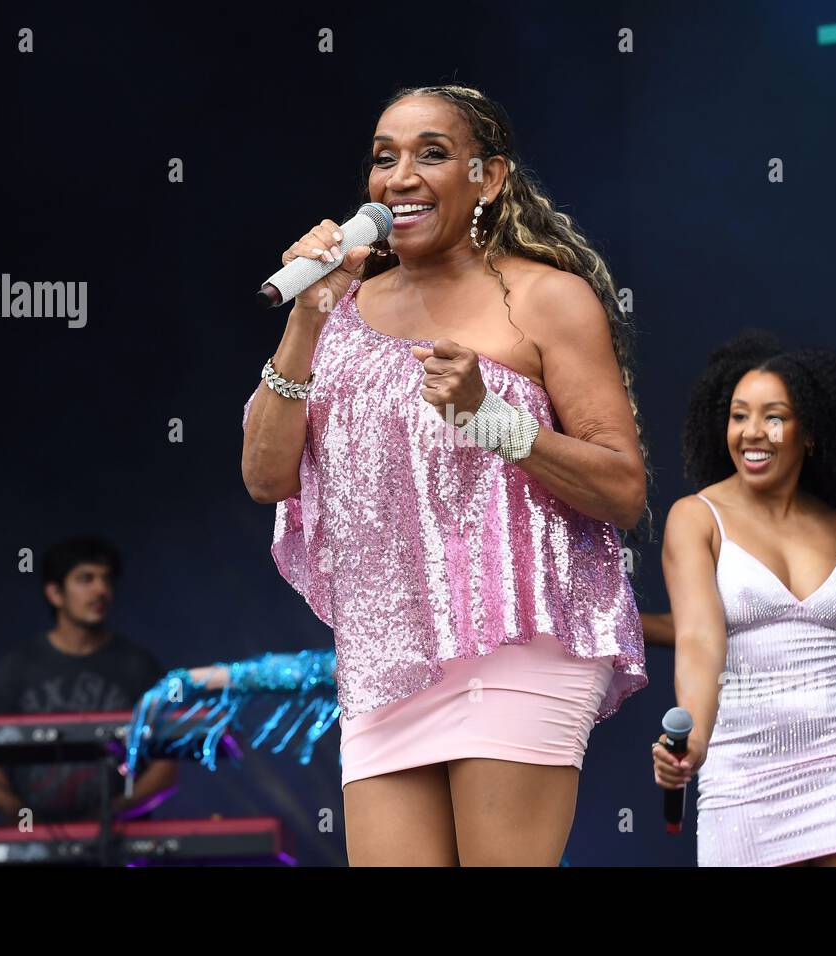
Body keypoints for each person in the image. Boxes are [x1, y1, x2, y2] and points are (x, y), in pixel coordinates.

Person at [240, 84, 648, 866]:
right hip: (384, 658)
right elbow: (265, 477)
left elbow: (622, 488)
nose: (400, 175)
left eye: (431, 153)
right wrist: (307, 316)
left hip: (516, 639)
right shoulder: (340, 307)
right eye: (383, 158)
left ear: (487, 178)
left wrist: (491, 417)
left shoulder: (547, 299)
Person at [651, 330, 836, 866]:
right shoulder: (697, 519)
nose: (751, 432)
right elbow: (698, 640)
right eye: (739, 415)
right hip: (742, 775)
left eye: (773, 416)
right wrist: (692, 737)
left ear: (809, 432)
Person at [0, 536, 178, 824]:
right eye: (86, 579)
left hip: (118, 845)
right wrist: (21, 816)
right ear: (55, 593)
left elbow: (166, 764)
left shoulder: (138, 666)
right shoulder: (17, 668)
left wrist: (113, 814)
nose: (101, 589)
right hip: (35, 847)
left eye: (106, 579)